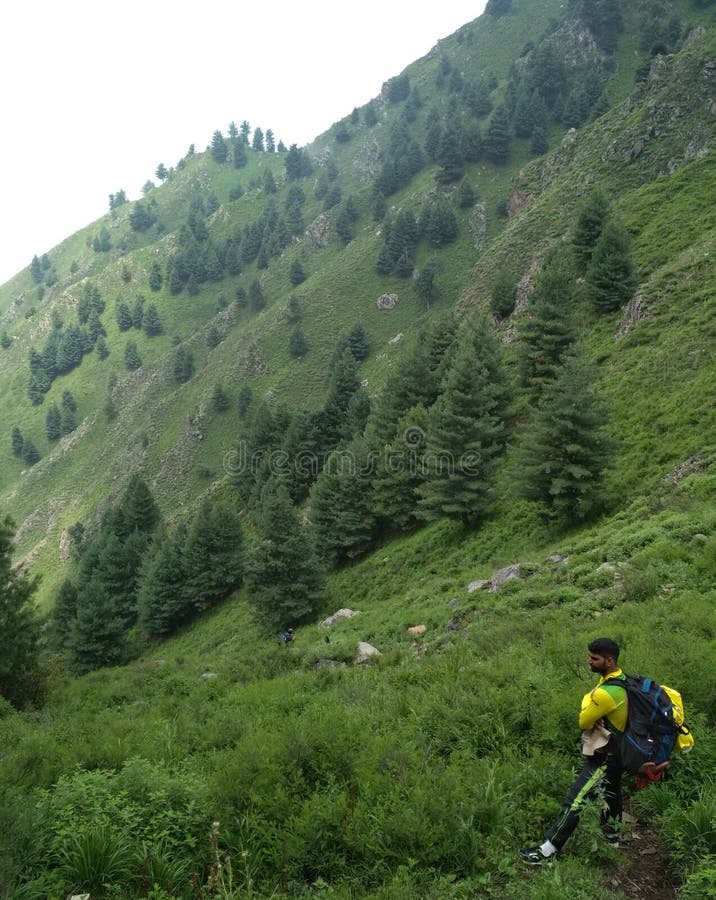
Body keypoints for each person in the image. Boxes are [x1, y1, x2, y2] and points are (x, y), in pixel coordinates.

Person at [519, 637, 627, 866]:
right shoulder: (622, 680)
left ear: (609, 661)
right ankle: (612, 840)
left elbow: (583, 720)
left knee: (575, 799)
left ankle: (548, 851)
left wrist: (590, 701)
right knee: (612, 793)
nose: (588, 661)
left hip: (605, 757)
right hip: (619, 754)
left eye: (594, 658)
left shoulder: (607, 692)